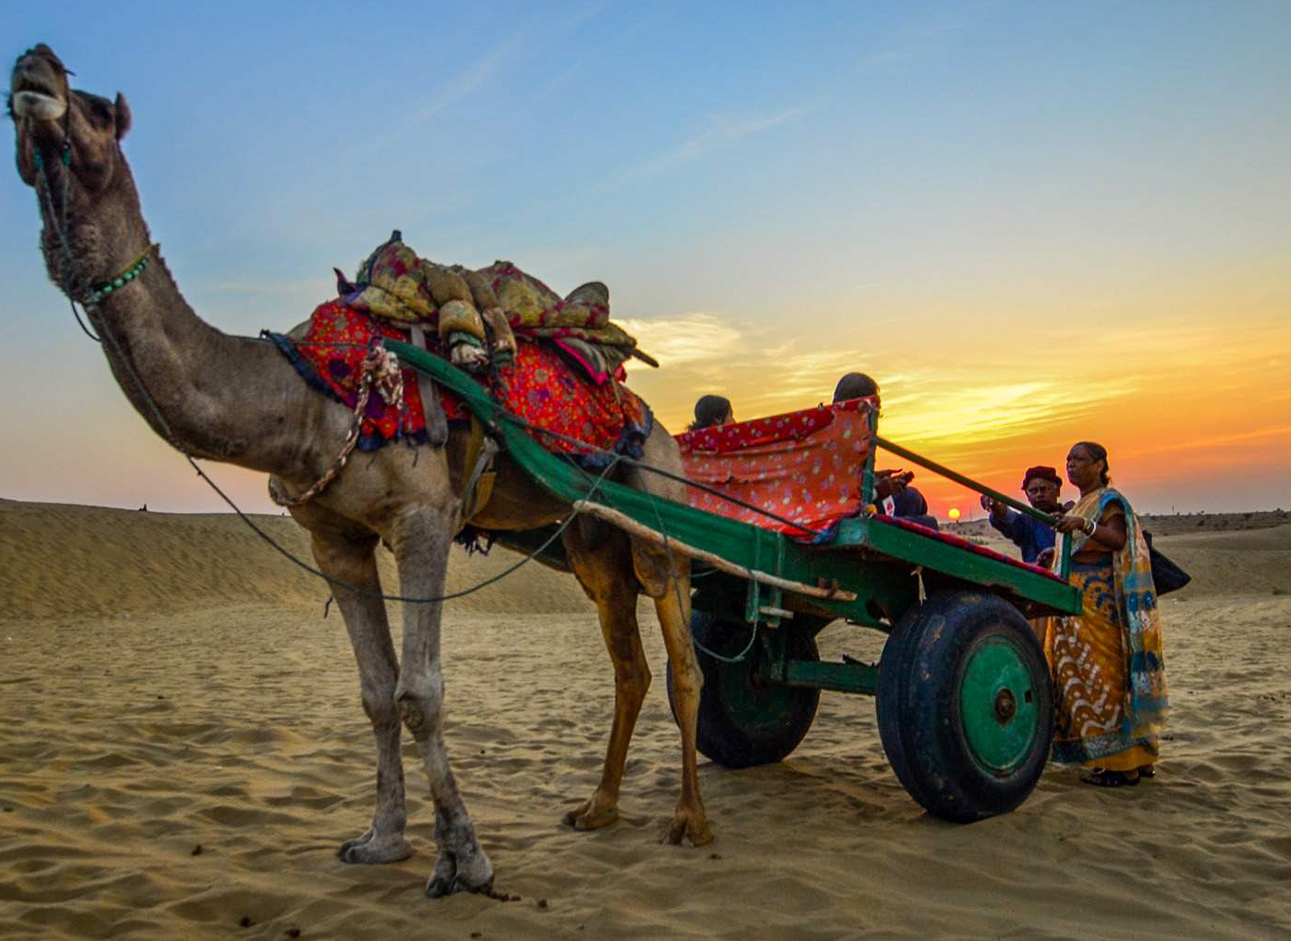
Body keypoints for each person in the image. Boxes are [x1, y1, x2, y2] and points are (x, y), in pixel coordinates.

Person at [1039, 442, 1168, 787]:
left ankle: (1120, 766)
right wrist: (1056, 549)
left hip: (1098, 601)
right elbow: (1085, 543)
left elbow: (1115, 538)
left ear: (1099, 465)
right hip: (1079, 597)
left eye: (1079, 459)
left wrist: (1083, 525)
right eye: (1068, 460)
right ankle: (1136, 760)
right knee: (1091, 675)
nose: (1071, 465)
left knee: (1105, 676)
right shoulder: (1083, 503)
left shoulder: (1109, 501)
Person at [832, 373, 939, 530]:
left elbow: (844, 479)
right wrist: (877, 490)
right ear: (864, 408)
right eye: (876, 411)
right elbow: (839, 498)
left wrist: (873, 478)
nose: (877, 418)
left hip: (851, 503)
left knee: (912, 497)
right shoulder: (847, 437)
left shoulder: (827, 431)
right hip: (850, 517)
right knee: (930, 523)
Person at [980, 465, 1066, 563]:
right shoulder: (1026, 523)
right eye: (1033, 491)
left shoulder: (1072, 515)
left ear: (1057, 491)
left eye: (1044, 489)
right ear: (1027, 496)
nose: (1039, 494)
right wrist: (998, 509)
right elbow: (1010, 520)